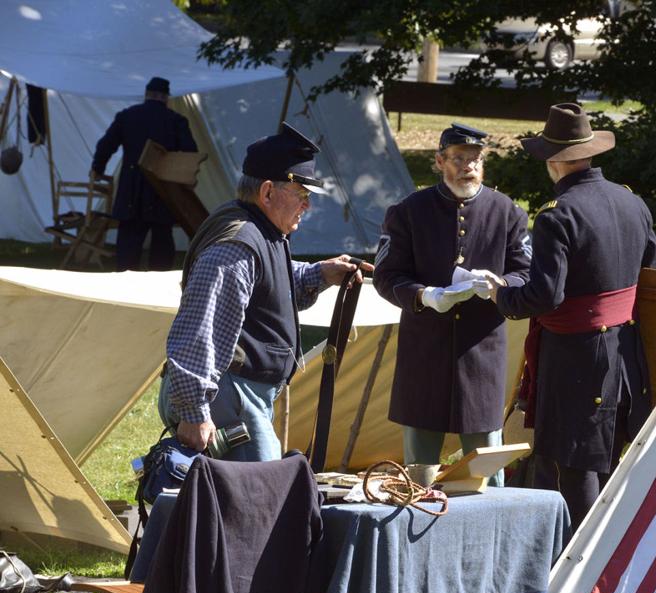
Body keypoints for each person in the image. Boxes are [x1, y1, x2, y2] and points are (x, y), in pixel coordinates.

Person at [489, 103, 656, 529]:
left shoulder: (556, 214)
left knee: (576, 468)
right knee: (611, 462)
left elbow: (545, 296)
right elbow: (652, 277)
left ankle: (577, 575)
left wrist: (502, 295)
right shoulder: (633, 202)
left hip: (576, 359)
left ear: (552, 160)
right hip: (626, 353)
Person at [159, 123, 368, 461]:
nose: (307, 206)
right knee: (256, 506)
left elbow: (270, 289)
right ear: (268, 192)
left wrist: (320, 274)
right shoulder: (237, 246)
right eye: (301, 195)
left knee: (242, 507)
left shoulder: (260, 230)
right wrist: (194, 410)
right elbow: (199, 330)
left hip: (238, 396)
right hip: (226, 398)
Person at [373, 122, 532, 481]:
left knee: (487, 473)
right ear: (440, 161)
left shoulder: (507, 212)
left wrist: (500, 284)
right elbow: (386, 276)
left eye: (475, 159)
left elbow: (527, 272)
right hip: (424, 355)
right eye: (459, 158)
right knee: (420, 476)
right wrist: (424, 295)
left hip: (481, 356)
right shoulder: (409, 211)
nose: (468, 167)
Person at [91, 76, 198, 270]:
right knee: (162, 239)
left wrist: (97, 169)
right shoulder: (176, 120)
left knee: (129, 241)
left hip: (132, 188)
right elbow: (190, 153)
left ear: (147, 95)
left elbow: (106, 145)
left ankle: (124, 283)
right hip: (163, 190)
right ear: (166, 97)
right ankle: (157, 287)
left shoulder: (127, 116)